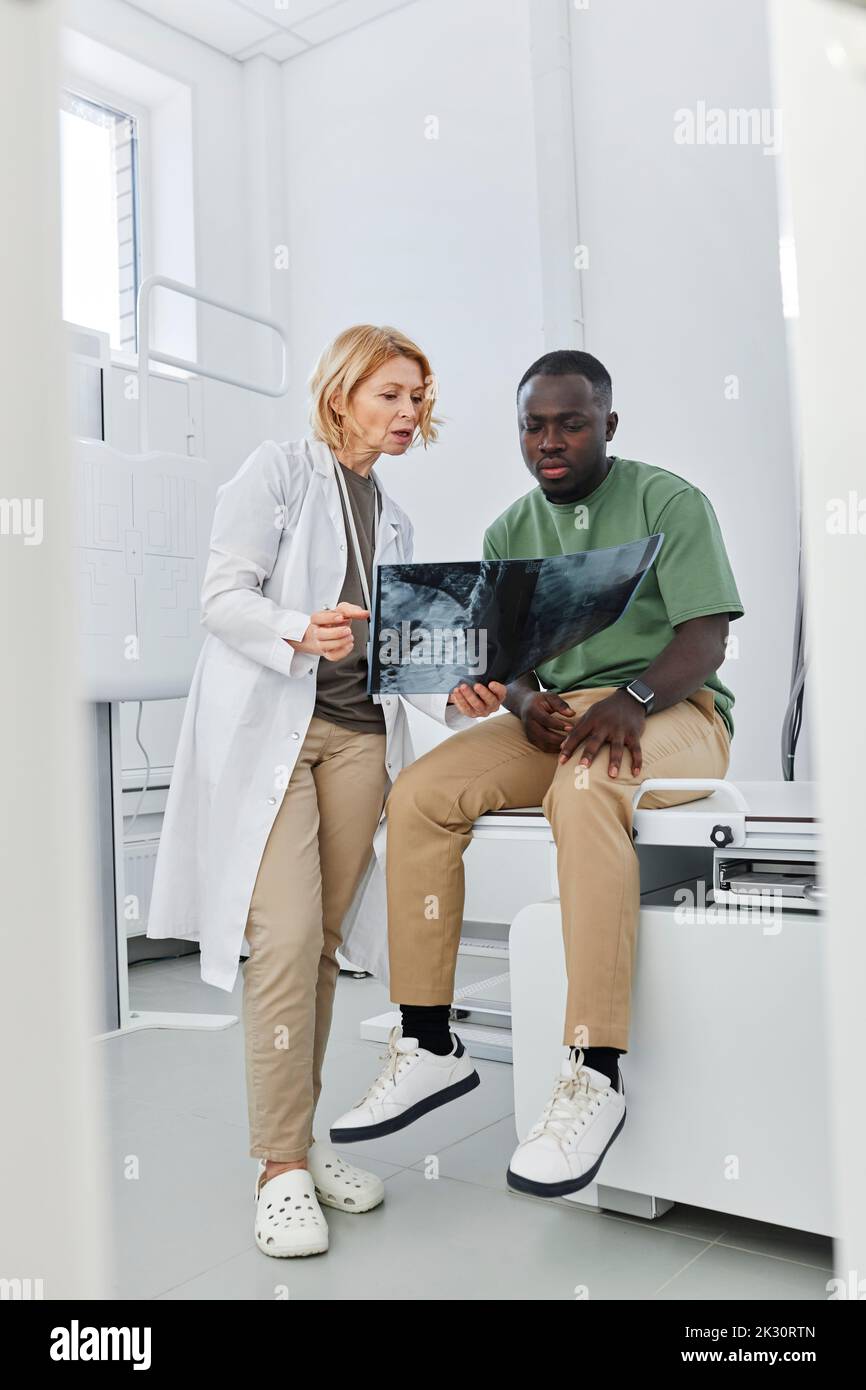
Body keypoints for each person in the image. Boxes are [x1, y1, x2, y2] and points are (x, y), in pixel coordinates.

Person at [331, 348, 745, 1200]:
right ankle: (428, 1041)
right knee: (419, 795)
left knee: (586, 786)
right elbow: (511, 662)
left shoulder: (668, 501)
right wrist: (520, 702)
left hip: (673, 709)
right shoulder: (510, 530)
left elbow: (706, 640)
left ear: (608, 426)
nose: (549, 440)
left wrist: (631, 696)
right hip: (558, 716)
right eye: (533, 425)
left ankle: (595, 1069)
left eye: (570, 422)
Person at [145, 324, 505, 1257]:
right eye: (390, 394)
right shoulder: (278, 472)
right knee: (286, 938)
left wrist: (463, 688)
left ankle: (295, 1145)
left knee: (322, 948)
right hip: (273, 732)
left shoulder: (396, 520)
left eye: (418, 398)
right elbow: (222, 598)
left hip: (355, 743)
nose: (408, 412)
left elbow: (398, 661)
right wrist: (298, 628)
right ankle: (276, 1169)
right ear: (341, 393)